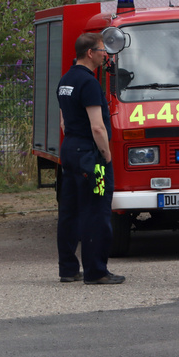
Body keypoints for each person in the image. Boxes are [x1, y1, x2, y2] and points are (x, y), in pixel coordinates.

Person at [55, 37, 126, 285]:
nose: (105, 55)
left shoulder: (65, 81)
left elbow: (63, 122)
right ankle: (96, 271)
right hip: (90, 156)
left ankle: (68, 269)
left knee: (70, 212)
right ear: (89, 53)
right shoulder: (89, 83)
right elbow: (97, 127)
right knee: (96, 210)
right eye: (102, 51)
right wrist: (105, 154)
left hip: (70, 152)